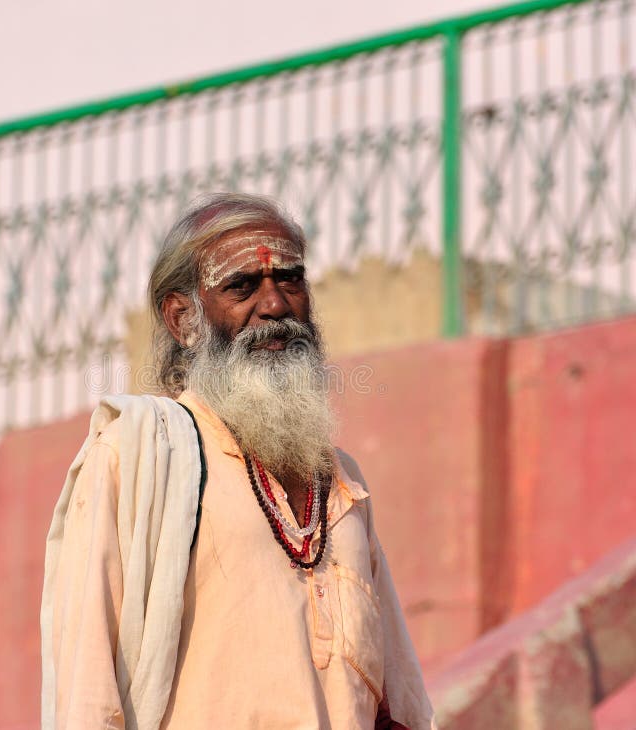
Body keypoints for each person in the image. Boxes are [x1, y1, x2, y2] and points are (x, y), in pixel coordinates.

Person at [41, 193, 436, 730]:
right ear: (184, 319)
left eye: (290, 281)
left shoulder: (341, 484)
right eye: (242, 287)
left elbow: (395, 706)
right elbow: (86, 697)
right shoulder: (135, 456)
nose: (275, 306)